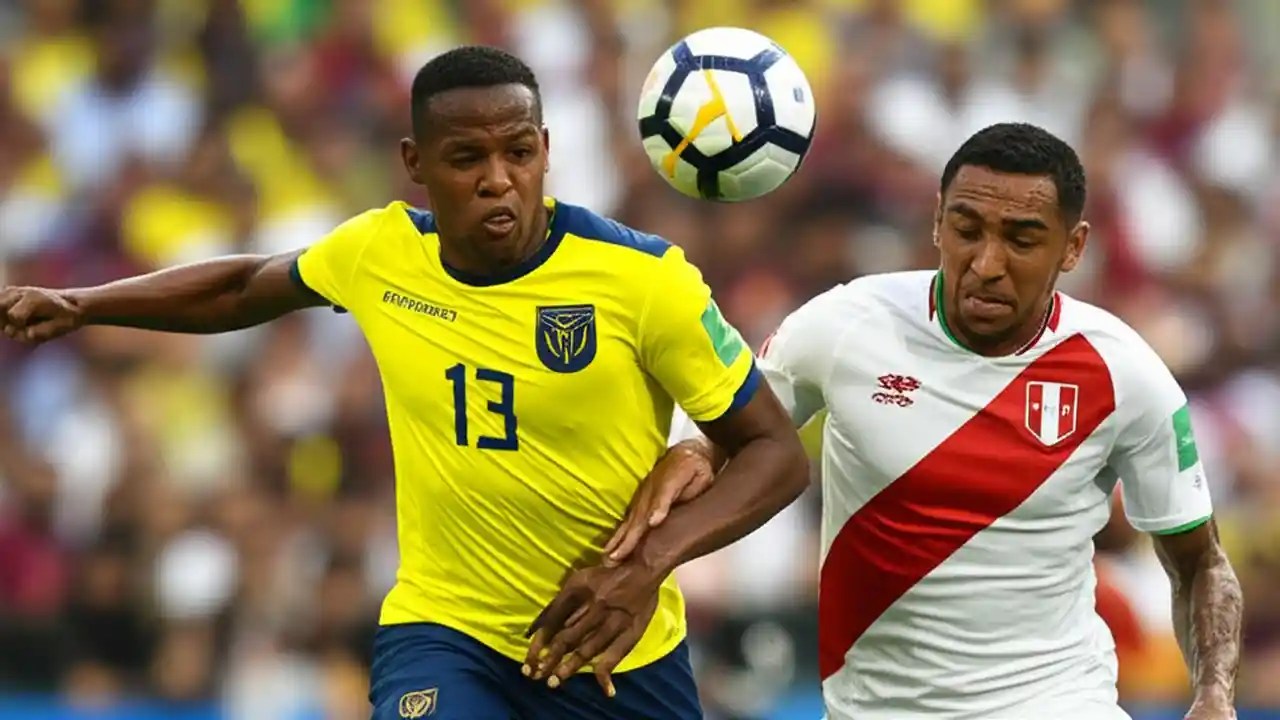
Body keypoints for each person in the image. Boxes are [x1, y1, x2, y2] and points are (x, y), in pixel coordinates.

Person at [0, 46, 811, 719]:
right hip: (444, 629)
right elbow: (245, 286)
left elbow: (774, 452)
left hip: (614, 643)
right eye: (467, 158)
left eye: (518, 152)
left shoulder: (645, 281)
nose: (499, 179)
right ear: (415, 163)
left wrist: (649, 565)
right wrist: (84, 303)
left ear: (545, 150)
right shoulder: (381, 253)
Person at [587, 123, 1244, 720]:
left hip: (1057, 702)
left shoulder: (1124, 372)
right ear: (936, 222)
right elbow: (730, 434)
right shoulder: (844, 326)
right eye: (966, 229)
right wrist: (691, 464)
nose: (986, 263)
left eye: (1021, 239)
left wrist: (1213, 694)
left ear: (1073, 248)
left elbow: (1200, 563)